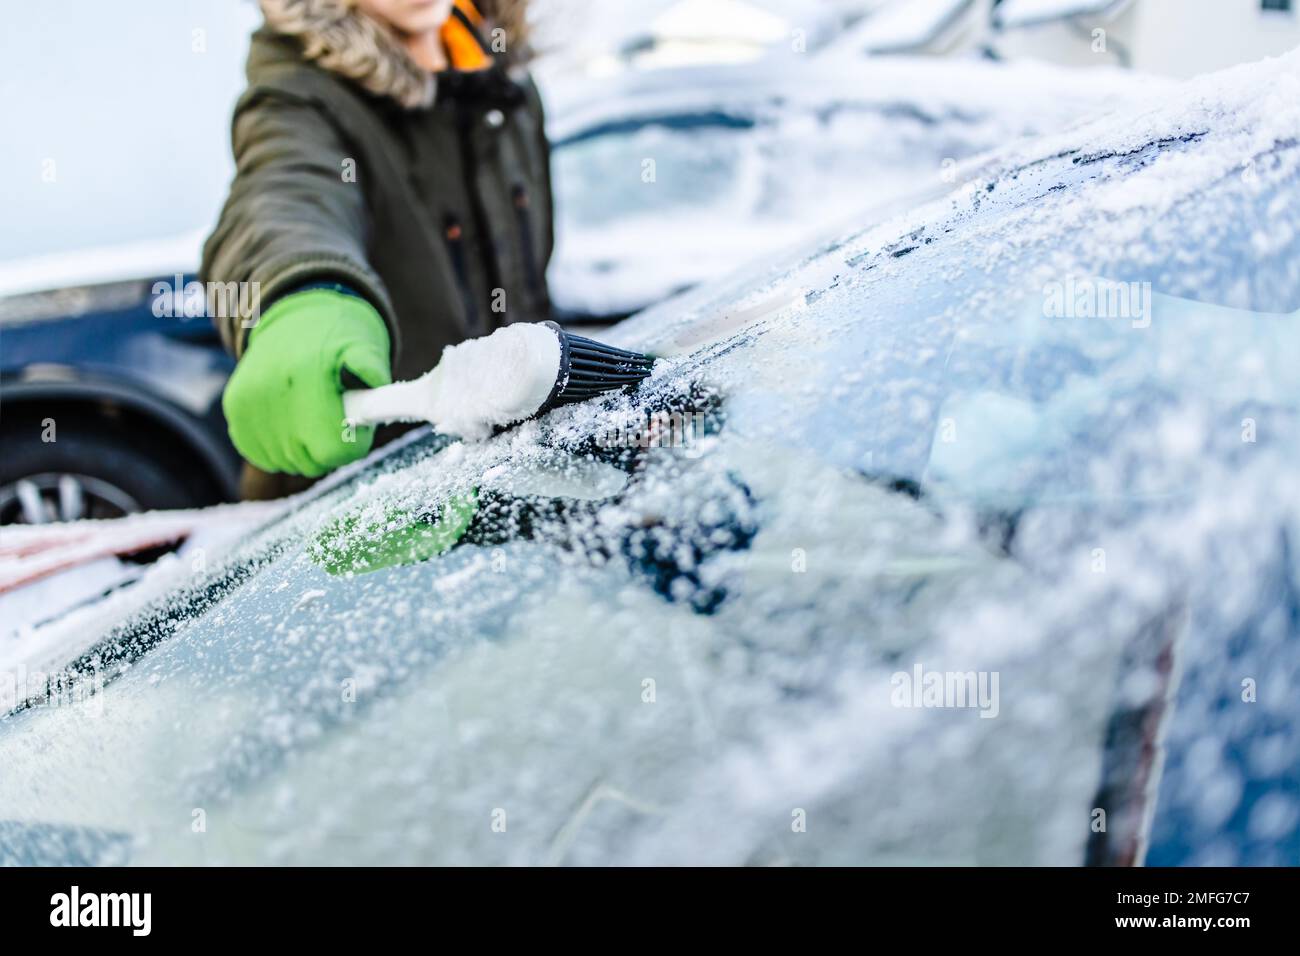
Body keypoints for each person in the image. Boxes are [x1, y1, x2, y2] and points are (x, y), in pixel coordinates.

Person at [201, 0, 552, 499]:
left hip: (505, 480)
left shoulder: (506, 85)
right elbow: (283, 195)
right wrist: (308, 290)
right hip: (353, 514)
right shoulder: (297, 94)